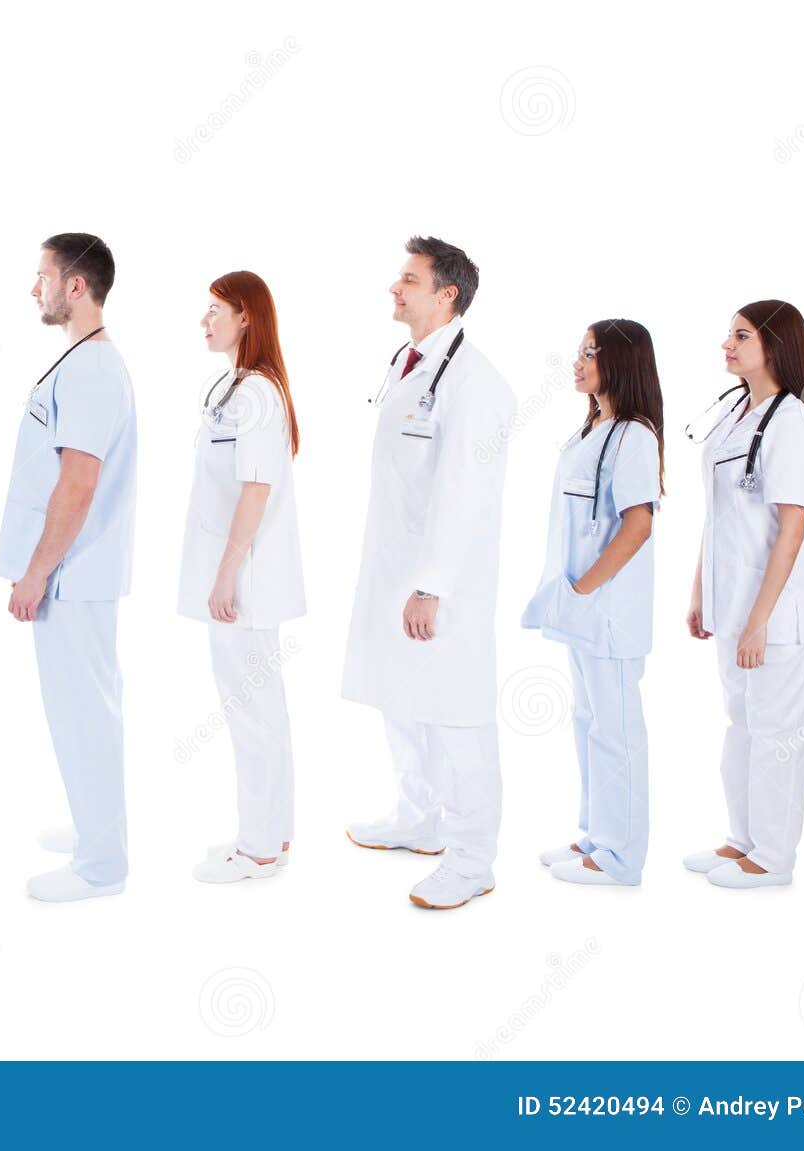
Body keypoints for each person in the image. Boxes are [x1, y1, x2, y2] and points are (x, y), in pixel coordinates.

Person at [341, 236, 514, 910]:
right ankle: (419, 817)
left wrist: (433, 582)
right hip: (395, 571)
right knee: (403, 698)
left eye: (408, 279)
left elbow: (465, 493)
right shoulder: (412, 364)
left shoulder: (477, 384)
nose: (394, 288)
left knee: (456, 711)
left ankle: (473, 857)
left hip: (442, 586)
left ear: (447, 294)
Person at [0, 232, 137, 902]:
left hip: (71, 574)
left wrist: (35, 573)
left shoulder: (92, 371)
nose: (35, 289)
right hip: (69, 573)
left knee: (85, 712)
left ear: (75, 286)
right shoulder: (78, 363)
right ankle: (93, 828)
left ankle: (102, 863)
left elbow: (78, 483)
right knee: (76, 709)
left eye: (43, 276)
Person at [684, 300, 804, 889]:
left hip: (778, 611)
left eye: (740, 336)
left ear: (774, 345)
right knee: (740, 722)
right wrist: (700, 592)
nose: (726, 344)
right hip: (734, 601)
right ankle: (742, 840)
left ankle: (773, 857)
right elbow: (719, 515)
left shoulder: (792, 422)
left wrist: (759, 619)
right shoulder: (738, 413)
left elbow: (789, 528)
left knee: (776, 731)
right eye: (729, 335)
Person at [521, 320, 664, 887]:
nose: (577, 364)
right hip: (579, 609)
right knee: (588, 724)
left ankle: (621, 857)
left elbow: (639, 524)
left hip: (606, 610)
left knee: (616, 731)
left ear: (622, 362)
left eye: (590, 354)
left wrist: (583, 591)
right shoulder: (592, 430)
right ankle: (596, 835)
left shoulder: (635, 435)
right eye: (578, 353)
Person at [179, 271, 305, 883]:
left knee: (252, 711)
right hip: (233, 574)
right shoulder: (234, 387)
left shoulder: (256, 392)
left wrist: (226, 573)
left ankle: (257, 849)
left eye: (214, 311)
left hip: (244, 581)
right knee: (260, 708)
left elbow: (258, 487)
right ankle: (270, 836)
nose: (204, 321)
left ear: (247, 316)